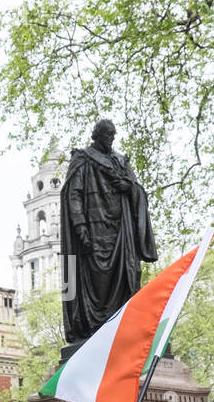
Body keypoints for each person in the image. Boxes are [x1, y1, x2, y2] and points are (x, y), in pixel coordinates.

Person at [59, 119, 157, 347]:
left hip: (122, 233)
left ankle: (126, 324)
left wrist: (130, 188)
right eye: (108, 135)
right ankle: (96, 327)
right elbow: (73, 194)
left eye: (114, 135)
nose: (112, 139)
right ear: (97, 136)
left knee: (128, 277)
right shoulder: (82, 159)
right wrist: (80, 225)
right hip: (94, 233)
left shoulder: (121, 161)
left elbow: (136, 188)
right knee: (96, 283)